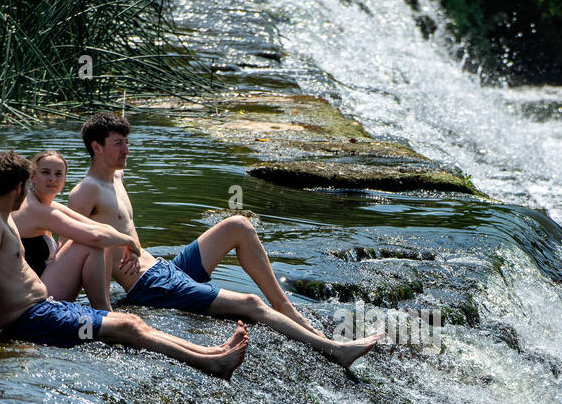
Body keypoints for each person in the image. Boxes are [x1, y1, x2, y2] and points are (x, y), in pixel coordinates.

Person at [66, 111, 383, 369]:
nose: (127, 150)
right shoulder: (85, 192)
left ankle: (285, 307)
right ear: (96, 147)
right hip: (150, 287)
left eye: (127, 142)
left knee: (238, 225)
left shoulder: (115, 177)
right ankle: (332, 350)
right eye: (119, 143)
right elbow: (73, 248)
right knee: (249, 304)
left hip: (166, 268)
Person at [0, 150, 247, 379]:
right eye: (26, 186)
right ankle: (212, 364)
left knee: (132, 321)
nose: (27, 193)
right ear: (17, 187)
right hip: (30, 321)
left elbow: (91, 230)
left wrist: (121, 238)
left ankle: (211, 352)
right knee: (127, 327)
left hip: (44, 308)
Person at [11, 150, 139, 311]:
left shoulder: (47, 205)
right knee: (91, 243)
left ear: (64, 180)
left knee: (101, 239)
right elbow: (95, 236)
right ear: (33, 177)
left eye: (58, 174)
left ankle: (103, 306)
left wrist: (128, 243)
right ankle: (103, 310)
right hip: (29, 300)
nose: (52, 179)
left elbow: (98, 227)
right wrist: (130, 242)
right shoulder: (33, 208)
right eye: (45, 172)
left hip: (38, 287)